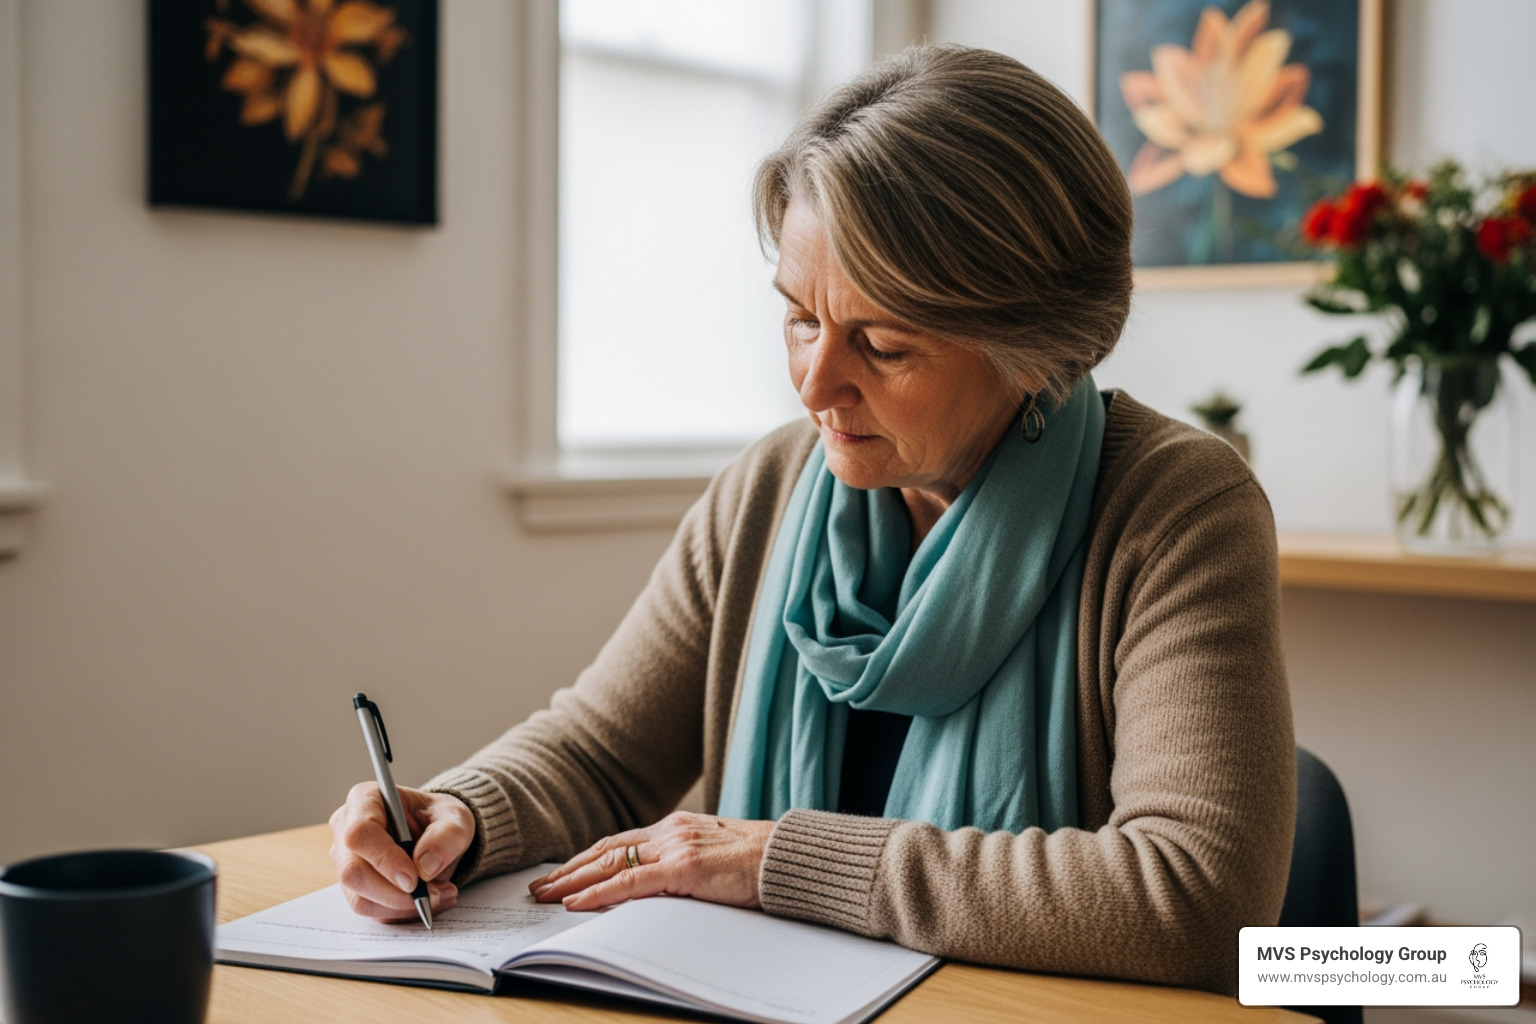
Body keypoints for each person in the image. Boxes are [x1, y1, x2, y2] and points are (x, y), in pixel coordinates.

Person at [328, 44, 1294, 996]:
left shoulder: (1176, 510)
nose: (815, 385)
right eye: (799, 318)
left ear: (1035, 349)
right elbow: (604, 753)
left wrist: (774, 861)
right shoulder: (772, 487)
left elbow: (1197, 896)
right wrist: (460, 811)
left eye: (880, 344)